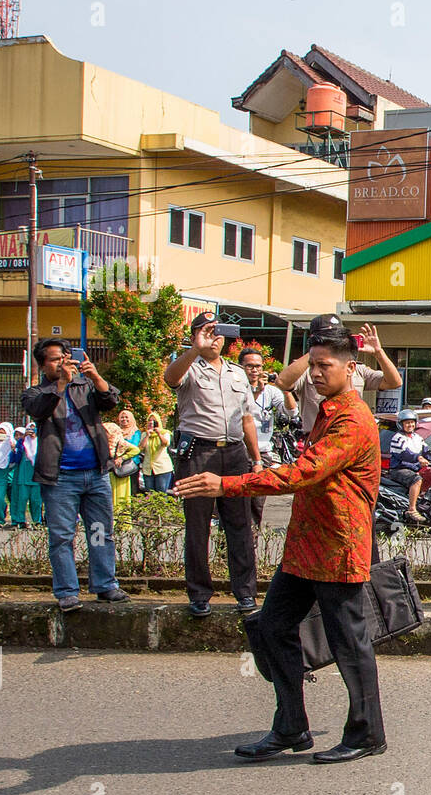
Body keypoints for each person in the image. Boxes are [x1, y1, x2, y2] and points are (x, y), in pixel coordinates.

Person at [173, 323, 387, 765]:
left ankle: (367, 733)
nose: (314, 374)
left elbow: (300, 474)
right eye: (312, 365)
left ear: (351, 368)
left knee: (350, 643)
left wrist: (225, 484)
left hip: (338, 548)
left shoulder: (353, 417)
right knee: (271, 628)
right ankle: (291, 727)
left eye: (324, 366)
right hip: (306, 546)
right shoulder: (327, 410)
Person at [164, 312, 263, 618]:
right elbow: (171, 378)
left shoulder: (236, 373)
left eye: (218, 332)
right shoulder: (189, 368)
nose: (214, 337)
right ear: (195, 335)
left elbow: (247, 418)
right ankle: (199, 594)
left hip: (233, 454)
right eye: (207, 332)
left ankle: (246, 592)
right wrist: (195, 347)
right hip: (198, 453)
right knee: (198, 527)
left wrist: (256, 459)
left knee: (240, 526)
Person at [21, 338, 129, 611]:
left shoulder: (85, 386)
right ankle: (67, 591)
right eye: (56, 359)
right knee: (62, 536)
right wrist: (60, 385)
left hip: (96, 473)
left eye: (66, 357)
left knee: (100, 532)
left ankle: (106, 585)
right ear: (43, 364)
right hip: (60, 477)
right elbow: (39, 411)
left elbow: (111, 400)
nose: (63, 363)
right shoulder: (36, 392)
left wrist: (94, 374)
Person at [276, 317, 402, 434]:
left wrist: (378, 353)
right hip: (317, 438)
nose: (316, 373)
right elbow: (282, 382)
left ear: (350, 368)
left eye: (337, 336)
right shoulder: (307, 369)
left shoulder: (356, 369)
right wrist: (316, 352)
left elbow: (394, 382)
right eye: (327, 337)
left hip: (350, 436)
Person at [239, 347, 296, 529]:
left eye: (258, 366)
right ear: (241, 367)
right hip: (238, 450)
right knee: (235, 502)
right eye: (249, 366)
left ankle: (252, 544)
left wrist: (285, 389)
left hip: (262, 453)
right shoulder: (236, 387)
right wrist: (255, 391)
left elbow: (291, 411)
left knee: (257, 504)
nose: (254, 370)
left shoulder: (270, 392)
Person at [387, 409, 431, 522]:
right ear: (401, 424)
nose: (410, 425)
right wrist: (418, 458)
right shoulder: (398, 438)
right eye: (407, 423)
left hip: (412, 470)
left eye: (412, 422)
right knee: (417, 480)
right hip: (399, 469)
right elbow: (405, 454)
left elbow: (427, 451)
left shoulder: (417, 437)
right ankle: (412, 509)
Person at [104, 422, 140, 530]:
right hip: (109, 474)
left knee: (121, 498)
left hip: (120, 474)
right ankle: (113, 523)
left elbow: (136, 450)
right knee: (110, 499)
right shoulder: (104, 443)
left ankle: (123, 523)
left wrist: (122, 458)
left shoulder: (120, 442)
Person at [9, 423, 43, 528]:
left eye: (34, 430)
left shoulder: (41, 443)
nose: (32, 432)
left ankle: (37, 521)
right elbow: (16, 458)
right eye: (30, 430)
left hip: (37, 477)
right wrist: (22, 440)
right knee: (21, 499)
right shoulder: (23, 444)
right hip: (23, 477)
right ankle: (20, 520)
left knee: (36, 500)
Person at [139, 411, 175, 494]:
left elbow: (165, 443)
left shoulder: (165, 433)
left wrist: (158, 433)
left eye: (154, 421)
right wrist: (147, 435)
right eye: (150, 421)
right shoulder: (144, 434)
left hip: (162, 468)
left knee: (161, 493)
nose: (151, 423)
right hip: (148, 468)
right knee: (149, 493)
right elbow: (141, 448)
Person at [116, 409, 143, 495]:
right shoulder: (117, 432)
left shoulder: (136, 433)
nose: (124, 419)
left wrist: (122, 456)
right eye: (122, 417)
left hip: (131, 464)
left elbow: (135, 447)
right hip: (118, 464)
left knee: (132, 488)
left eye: (126, 417)